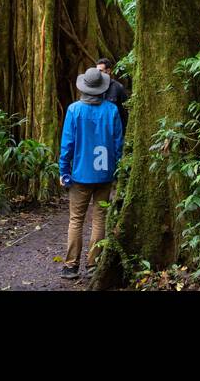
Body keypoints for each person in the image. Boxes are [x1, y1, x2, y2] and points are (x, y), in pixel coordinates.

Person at [59, 66, 124, 278]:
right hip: (105, 174)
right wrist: (117, 169)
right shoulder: (111, 110)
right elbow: (118, 144)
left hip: (79, 175)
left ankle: (71, 266)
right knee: (99, 218)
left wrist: (64, 170)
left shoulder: (74, 110)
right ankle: (93, 264)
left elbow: (67, 144)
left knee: (76, 219)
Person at [96, 56, 129, 131]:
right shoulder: (93, 88)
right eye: (96, 70)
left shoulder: (118, 87)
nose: (97, 73)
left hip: (115, 130)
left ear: (108, 71)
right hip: (99, 130)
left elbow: (125, 112)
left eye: (100, 71)